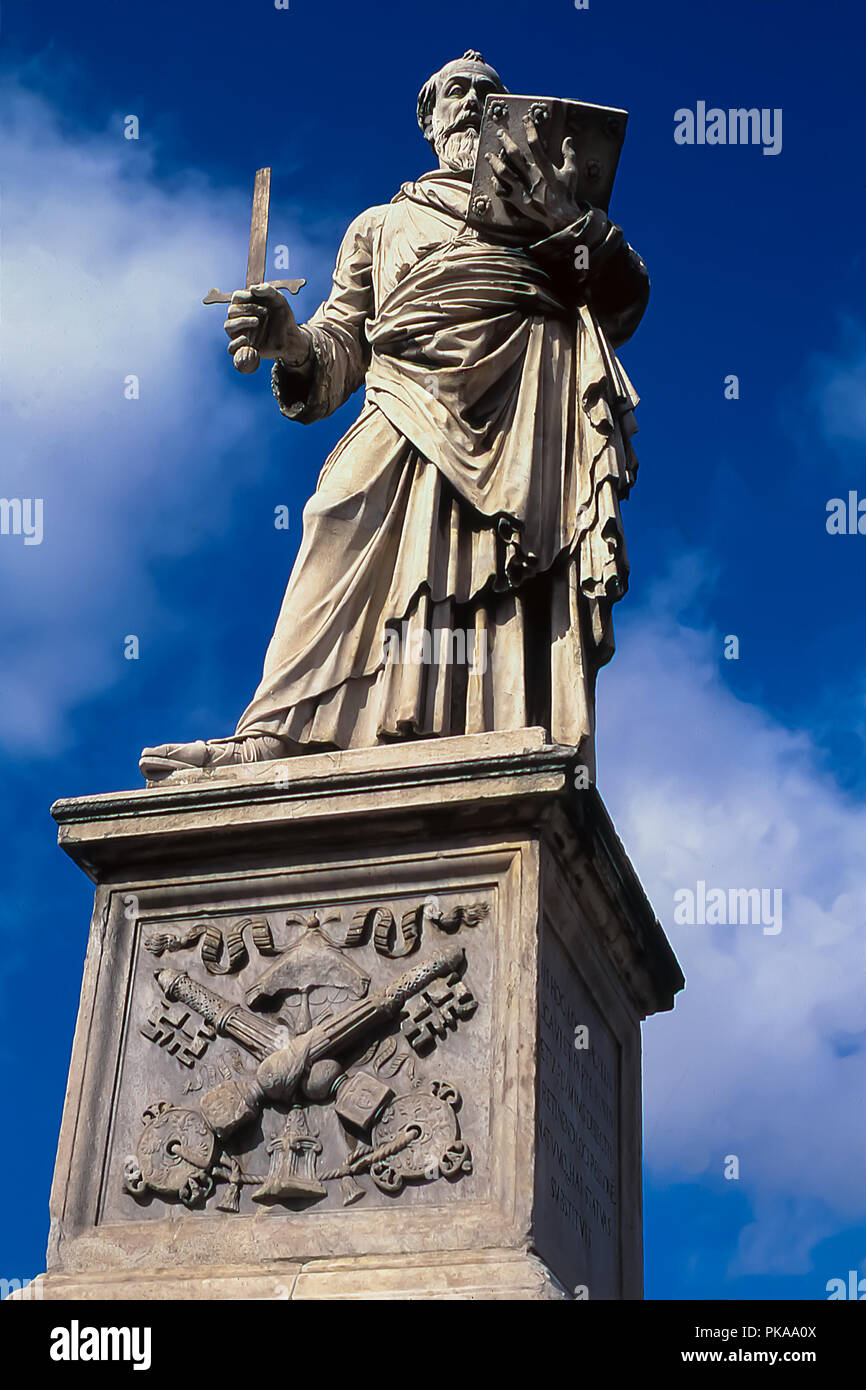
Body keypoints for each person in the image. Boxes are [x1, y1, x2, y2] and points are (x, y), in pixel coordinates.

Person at [140, 50, 649, 783]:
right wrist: (287, 339)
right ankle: (276, 735)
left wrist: (567, 217)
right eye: (456, 93)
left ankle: (508, 722)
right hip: (404, 403)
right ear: (429, 119)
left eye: (489, 95)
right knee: (335, 517)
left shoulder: (544, 213)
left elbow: (624, 296)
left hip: (523, 414)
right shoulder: (381, 226)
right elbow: (340, 344)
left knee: (509, 570)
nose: (472, 103)